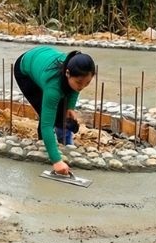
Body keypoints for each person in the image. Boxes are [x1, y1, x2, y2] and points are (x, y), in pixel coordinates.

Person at [13, 46, 96, 176]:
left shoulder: (75, 67)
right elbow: (47, 125)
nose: (82, 87)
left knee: (61, 112)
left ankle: (63, 143)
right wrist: (57, 161)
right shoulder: (53, 87)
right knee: (48, 114)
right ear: (67, 73)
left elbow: (75, 89)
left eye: (87, 83)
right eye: (80, 82)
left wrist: (70, 107)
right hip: (25, 70)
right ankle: (46, 145)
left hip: (42, 60)